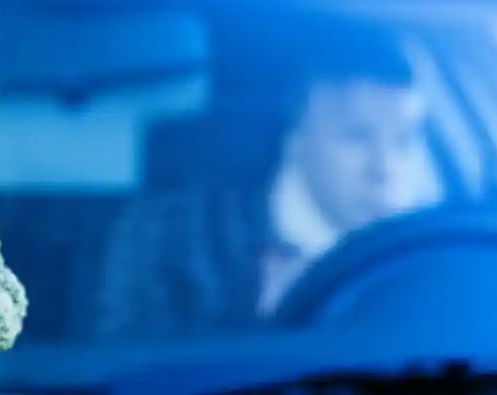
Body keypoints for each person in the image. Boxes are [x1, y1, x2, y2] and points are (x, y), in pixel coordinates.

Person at [96, 28, 441, 336]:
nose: (385, 169)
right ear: (294, 139)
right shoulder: (172, 233)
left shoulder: (436, 246)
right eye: (355, 137)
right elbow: (125, 377)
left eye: (405, 140)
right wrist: (264, 331)